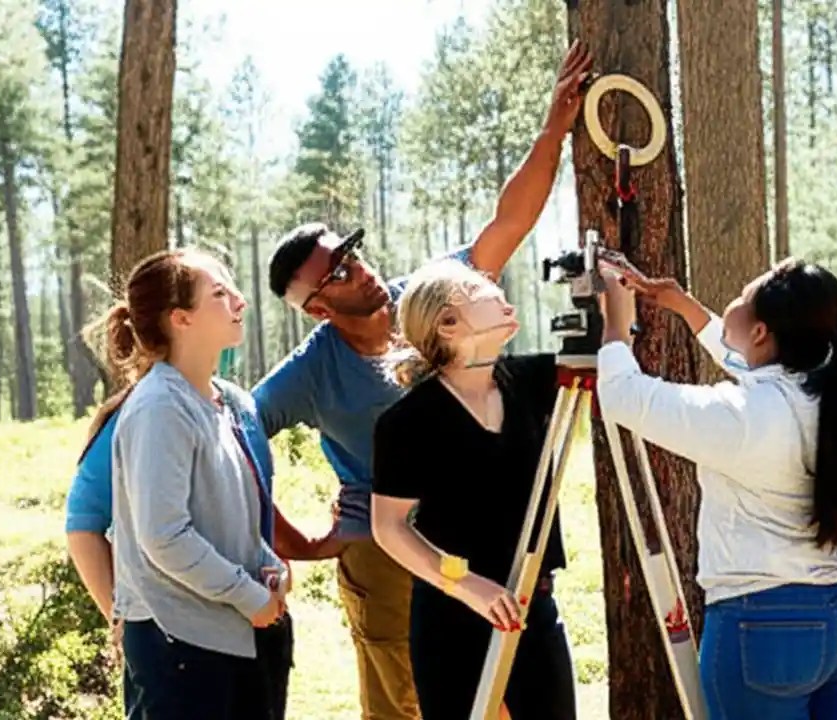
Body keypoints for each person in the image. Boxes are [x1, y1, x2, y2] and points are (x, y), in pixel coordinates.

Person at [251, 41, 593, 720]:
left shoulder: (435, 296)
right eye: (338, 271)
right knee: (408, 707)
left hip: (489, 542)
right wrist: (283, 540)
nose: (361, 269)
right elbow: (234, 432)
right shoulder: (310, 374)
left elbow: (511, 222)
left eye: (353, 253)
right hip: (391, 550)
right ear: (316, 306)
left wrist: (555, 125)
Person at [596, 255, 837, 719]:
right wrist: (684, 306)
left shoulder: (746, 414)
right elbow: (752, 368)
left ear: (762, 332)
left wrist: (615, 327)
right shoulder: (823, 387)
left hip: (766, 633)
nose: (734, 302)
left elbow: (623, 397)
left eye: (744, 297)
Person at [370, 260, 576, 719]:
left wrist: (611, 298)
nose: (499, 293)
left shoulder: (527, 382)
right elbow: (389, 527)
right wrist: (465, 585)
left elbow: (604, 361)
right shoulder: (407, 422)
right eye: (482, 290)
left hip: (532, 607)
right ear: (447, 323)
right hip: (451, 620)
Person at [103, 248, 290, 719]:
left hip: (232, 633)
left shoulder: (215, 401)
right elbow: (164, 536)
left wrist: (267, 568)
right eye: (220, 294)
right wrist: (249, 596)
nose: (240, 302)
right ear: (180, 318)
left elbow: (227, 518)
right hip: (180, 646)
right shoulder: (160, 407)